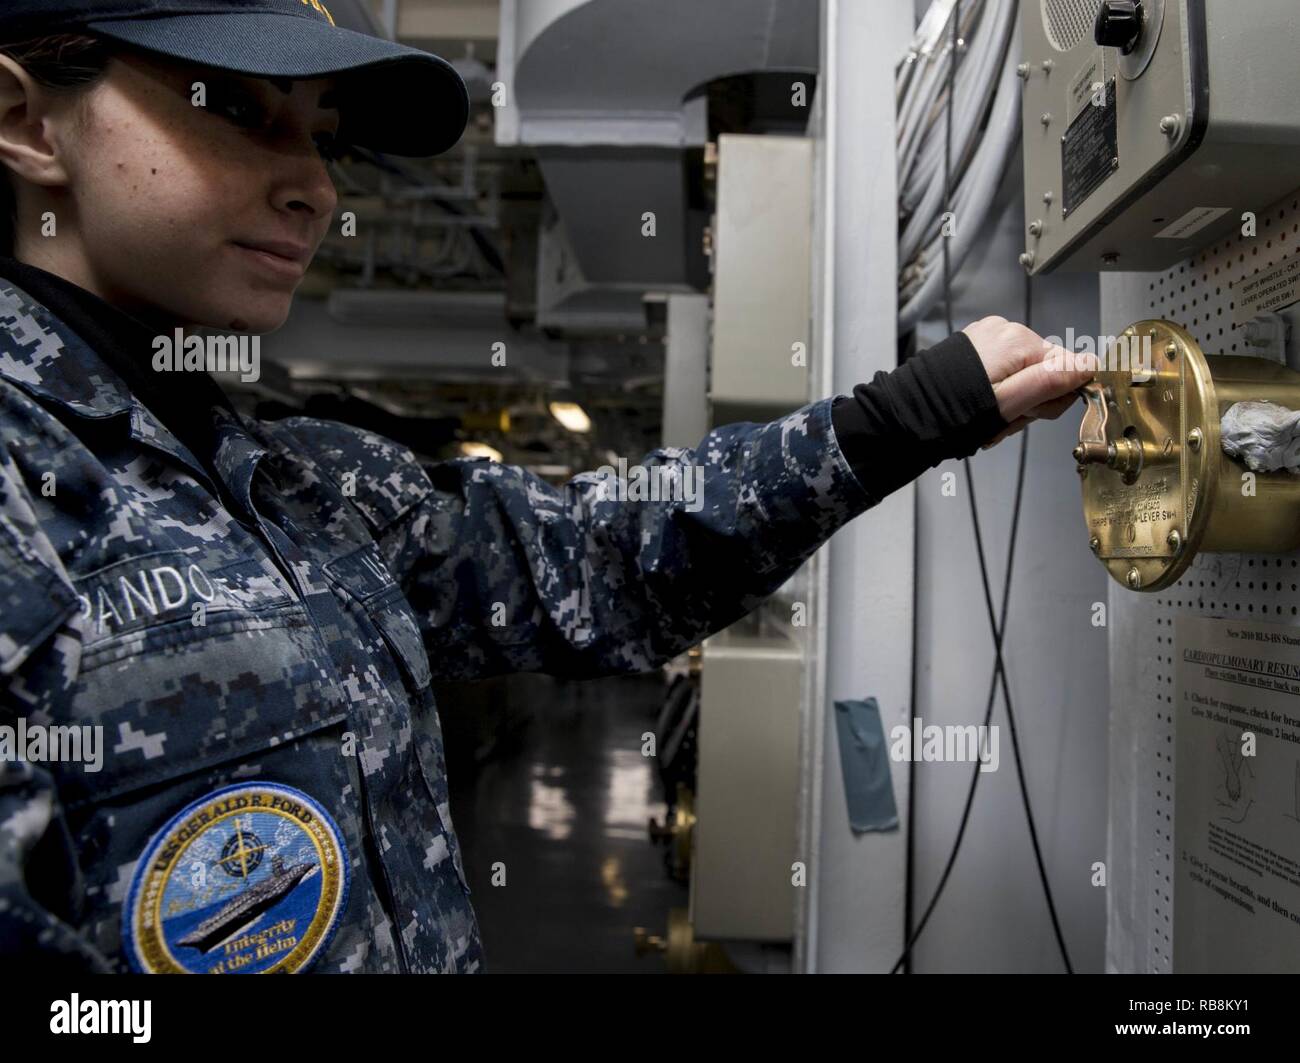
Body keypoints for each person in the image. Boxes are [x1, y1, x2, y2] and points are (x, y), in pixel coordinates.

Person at [0, 1, 1092, 974]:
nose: (316, 188)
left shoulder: (306, 486)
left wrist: (903, 417)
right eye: (242, 112)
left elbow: (598, 563)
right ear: (27, 122)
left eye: (325, 138)